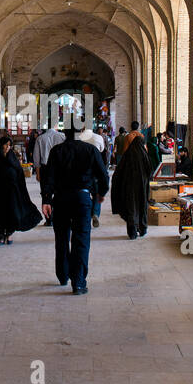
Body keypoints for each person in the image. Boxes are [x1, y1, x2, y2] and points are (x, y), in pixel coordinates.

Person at [40, 125, 109, 293]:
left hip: (61, 198)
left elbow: (49, 177)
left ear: (65, 134)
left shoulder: (57, 151)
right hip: (82, 198)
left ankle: (63, 275)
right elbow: (103, 174)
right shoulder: (91, 150)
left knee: (62, 236)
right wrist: (101, 193)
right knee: (81, 238)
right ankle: (78, 282)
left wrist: (47, 200)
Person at [0, 133, 43, 244]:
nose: (7, 147)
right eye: (6, 145)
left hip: (12, 192)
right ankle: (0, 236)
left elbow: (19, 175)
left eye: (9, 145)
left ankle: (9, 235)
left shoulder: (12, 158)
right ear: (1, 145)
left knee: (12, 213)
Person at [111, 123, 152, 239]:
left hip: (129, 187)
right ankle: (143, 229)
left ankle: (132, 232)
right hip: (142, 188)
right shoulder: (145, 156)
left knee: (131, 207)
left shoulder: (127, 155)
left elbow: (118, 172)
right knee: (142, 206)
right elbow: (150, 171)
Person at [32, 126, 64, 224]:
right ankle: (60, 217)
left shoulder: (40, 138)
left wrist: (38, 173)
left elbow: (36, 158)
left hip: (45, 169)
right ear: (55, 126)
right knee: (60, 193)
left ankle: (49, 219)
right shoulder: (62, 136)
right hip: (60, 168)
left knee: (46, 194)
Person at [79, 123, 108, 228]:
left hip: (83, 169)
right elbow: (101, 150)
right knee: (97, 194)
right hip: (96, 168)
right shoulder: (98, 137)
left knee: (84, 192)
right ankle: (95, 213)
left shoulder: (80, 138)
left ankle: (86, 213)